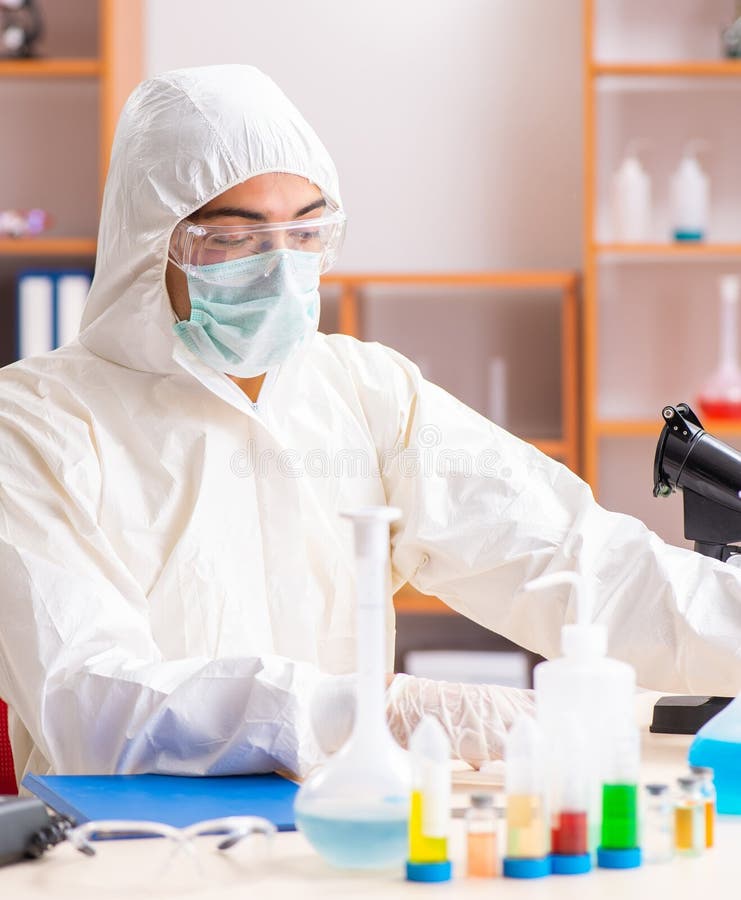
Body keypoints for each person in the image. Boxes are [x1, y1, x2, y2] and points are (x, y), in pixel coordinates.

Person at [0, 65, 739, 786]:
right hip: (126, 856)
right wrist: (372, 713)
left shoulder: (360, 390)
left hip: (342, 836)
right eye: (233, 238)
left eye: (305, 232)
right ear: (147, 245)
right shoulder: (37, 425)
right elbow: (88, 701)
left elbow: (577, 562)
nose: (281, 269)